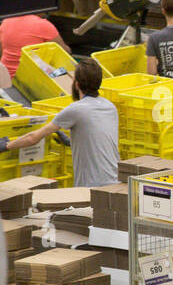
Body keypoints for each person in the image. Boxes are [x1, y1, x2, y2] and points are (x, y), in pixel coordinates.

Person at [0, 59, 118, 188]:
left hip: (93, 185)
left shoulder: (76, 109)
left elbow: (33, 138)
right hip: (115, 178)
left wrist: (6, 145)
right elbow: (98, 140)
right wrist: (71, 142)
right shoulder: (110, 107)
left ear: (77, 84)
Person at [1, 13, 69, 77]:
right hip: (30, 80)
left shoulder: (6, 21)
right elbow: (65, 52)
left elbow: (2, 51)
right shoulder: (43, 24)